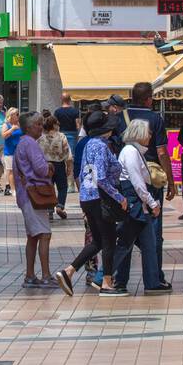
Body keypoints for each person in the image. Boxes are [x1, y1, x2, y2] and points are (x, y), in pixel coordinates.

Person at [54, 111, 127, 296]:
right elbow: (101, 178)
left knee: (97, 241)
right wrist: (119, 197)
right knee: (109, 240)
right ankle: (107, 283)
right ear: (106, 129)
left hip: (88, 197)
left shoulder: (88, 145)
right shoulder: (101, 147)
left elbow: (87, 174)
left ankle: (69, 271)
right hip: (100, 198)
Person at [114, 118, 173, 295]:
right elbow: (138, 183)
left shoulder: (136, 152)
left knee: (148, 244)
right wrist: (153, 203)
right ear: (139, 134)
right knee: (126, 244)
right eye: (147, 132)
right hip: (135, 204)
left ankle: (151, 281)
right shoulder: (131, 152)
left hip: (140, 204)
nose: (150, 135)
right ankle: (106, 277)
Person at [13, 111, 56, 287]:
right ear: (29, 127)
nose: (41, 127)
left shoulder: (22, 143)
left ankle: (30, 276)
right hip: (34, 195)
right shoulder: (31, 143)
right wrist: (50, 167)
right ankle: (46, 276)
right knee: (44, 235)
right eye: (38, 124)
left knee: (33, 236)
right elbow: (41, 169)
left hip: (26, 195)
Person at [39, 111, 71, 220]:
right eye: (57, 123)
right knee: (62, 187)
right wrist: (69, 167)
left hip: (45, 165)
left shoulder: (41, 138)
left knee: (48, 187)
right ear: (53, 125)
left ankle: (49, 210)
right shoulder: (61, 136)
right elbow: (67, 153)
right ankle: (60, 206)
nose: (59, 125)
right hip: (59, 164)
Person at [53, 93, 80, 189]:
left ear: (61, 99)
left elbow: (55, 125)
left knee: (61, 158)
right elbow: (77, 125)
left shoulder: (57, 112)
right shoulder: (75, 111)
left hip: (60, 135)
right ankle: (71, 184)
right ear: (70, 100)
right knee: (70, 159)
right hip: (72, 135)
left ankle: (62, 182)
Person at [0, 107, 21, 196]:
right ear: (11, 116)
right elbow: (3, 136)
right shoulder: (6, 125)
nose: (18, 116)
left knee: (20, 171)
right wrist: (12, 129)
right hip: (10, 151)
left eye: (18, 114)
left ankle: (19, 188)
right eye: (16, 114)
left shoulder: (20, 124)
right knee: (11, 171)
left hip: (20, 151)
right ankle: (13, 190)